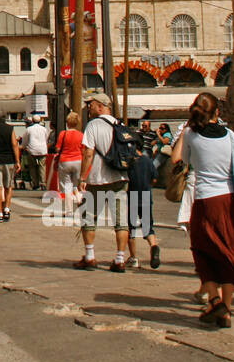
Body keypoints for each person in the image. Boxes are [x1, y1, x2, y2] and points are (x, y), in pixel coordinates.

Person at [168, 92, 234, 328]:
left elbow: (183, 160)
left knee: (202, 250)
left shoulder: (190, 134)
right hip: (229, 200)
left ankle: (215, 301)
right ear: (217, 112)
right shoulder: (229, 135)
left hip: (205, 200)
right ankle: (226, 309)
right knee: (228, 252)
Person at [75, 93, 131, 272]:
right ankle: (120, 259)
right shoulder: (119, 124)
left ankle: (90, 256)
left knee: (89, 217)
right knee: (121, 220)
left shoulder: (93, 125)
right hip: (120, 177)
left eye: (91, 104)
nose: (88, 108)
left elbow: (88, 153)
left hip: (97, 179)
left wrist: (82, 178)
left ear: (100, 106)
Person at [126, 121, 161, 270]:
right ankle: (153, 246)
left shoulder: (129, 162)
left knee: (131, 229)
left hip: (132, 198)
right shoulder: (147, 161)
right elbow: (154, 178)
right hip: (146, 196)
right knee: (148, 228)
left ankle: (133, 257)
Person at [51, 113, 84, 201]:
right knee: (75, 184)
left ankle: (69, 210)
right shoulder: (81, 135)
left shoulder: (63, 134)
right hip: (78, 160)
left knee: (67, 186)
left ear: (67, 123)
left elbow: (58, 149)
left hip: (65, 161)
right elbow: (83, 150)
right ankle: (78, 198)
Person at [20, 115, 48, 192]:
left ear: (32, 120)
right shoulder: (44, 129)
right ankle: (43, 183)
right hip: (42, 149)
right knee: (42, 166)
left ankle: (35, 184)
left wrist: (23, 146)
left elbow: (25, 140)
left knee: (32, 167)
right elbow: (46, 138)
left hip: (32, 150)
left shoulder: (29, 129)